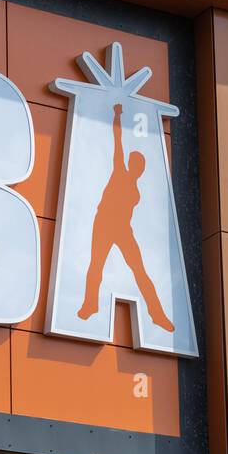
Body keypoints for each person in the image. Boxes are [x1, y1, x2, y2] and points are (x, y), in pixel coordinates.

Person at [77, 103, 174, 332]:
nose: (136, 166)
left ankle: (157, 314)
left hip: (123, 229)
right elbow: (117, 140)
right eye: (134, 162)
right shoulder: (120, 171)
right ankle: (90, 305)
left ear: (141, 168)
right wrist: (117, 115)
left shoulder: (136, 187)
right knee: (96, 265)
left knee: (139, 270)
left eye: (139, 164)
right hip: (104, 223)